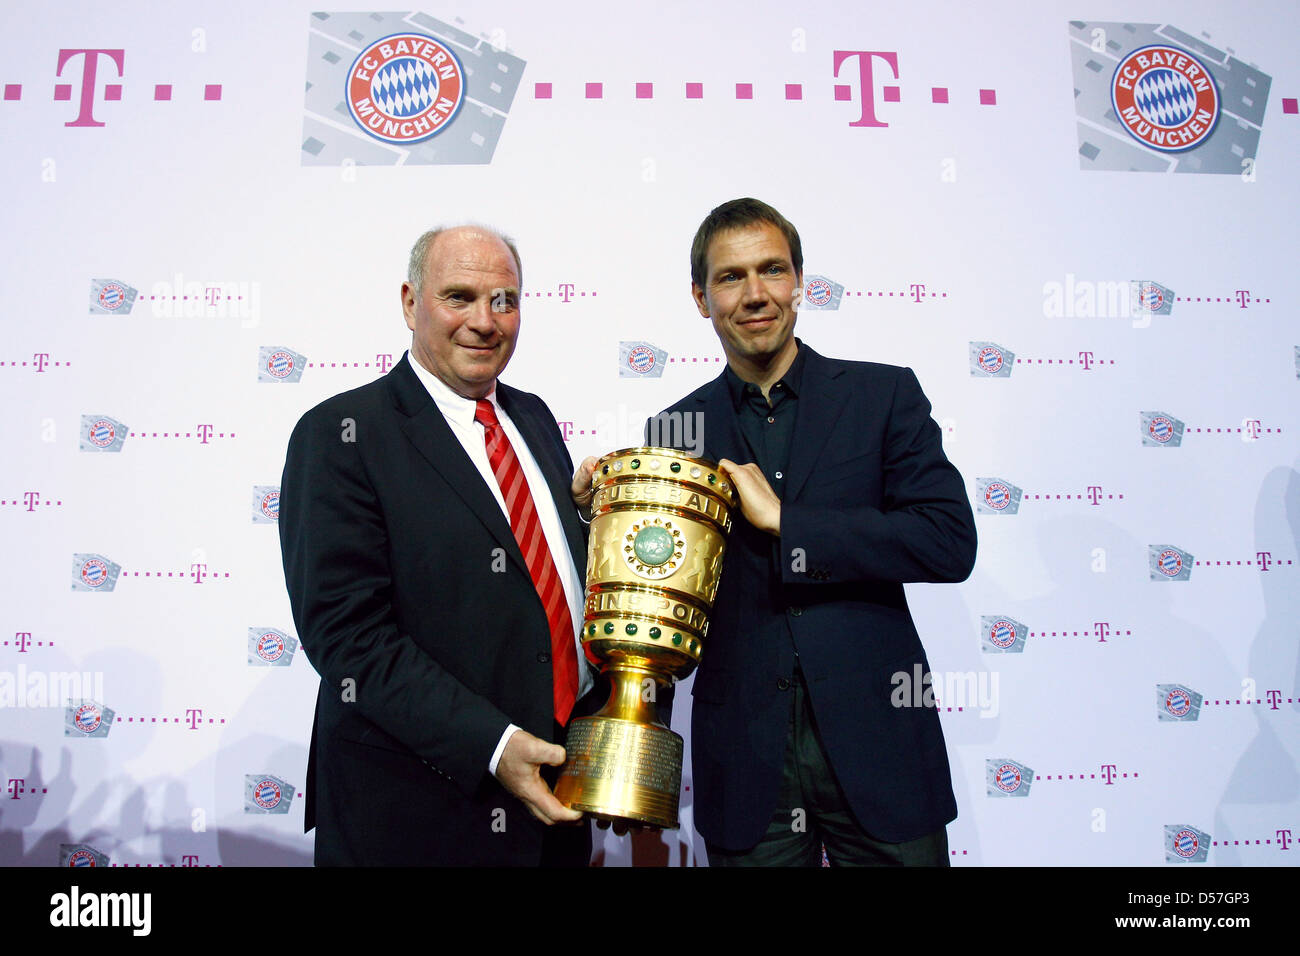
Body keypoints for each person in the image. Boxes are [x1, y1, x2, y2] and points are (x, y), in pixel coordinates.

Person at [650, 198, 977, 866]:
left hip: (881, 753)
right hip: (744, 762)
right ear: (700, 297)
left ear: (799, 282)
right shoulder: (672, 432)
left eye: (772, 270)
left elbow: (947, 540)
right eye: (731, 277)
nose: (755, 294)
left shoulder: (882, 397)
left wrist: (788, 524)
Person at [279, 225, 599, 865]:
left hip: (556, 798)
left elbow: (536, 590)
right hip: (416, 814)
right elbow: (348, 637)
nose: (486, 321)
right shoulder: (340, 434)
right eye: (460, 297)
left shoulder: (532, 416)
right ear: (409, 303)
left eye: (505, 300)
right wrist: (493, 744)